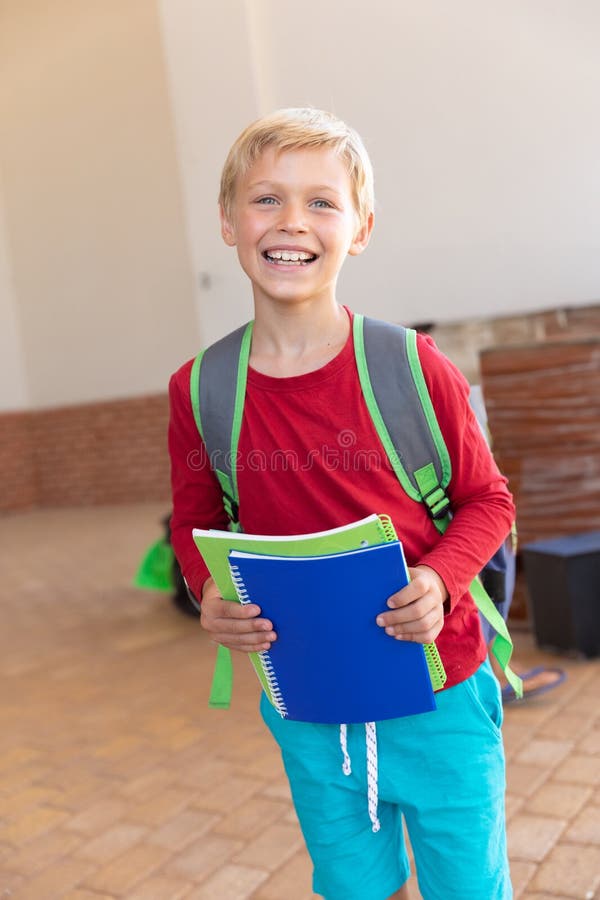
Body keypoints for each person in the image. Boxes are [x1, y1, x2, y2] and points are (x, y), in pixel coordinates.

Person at [168, 108, 516, 900]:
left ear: (360, 228)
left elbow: (487, 499)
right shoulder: (201, 390)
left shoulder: (409, 365)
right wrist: (208, 591)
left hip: (441, 697)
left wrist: (441, 579)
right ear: (228, 220)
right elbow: (198, 523)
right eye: (266, 199)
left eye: (322, 202)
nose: (292, 221)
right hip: (309, 708)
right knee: (355, 889)